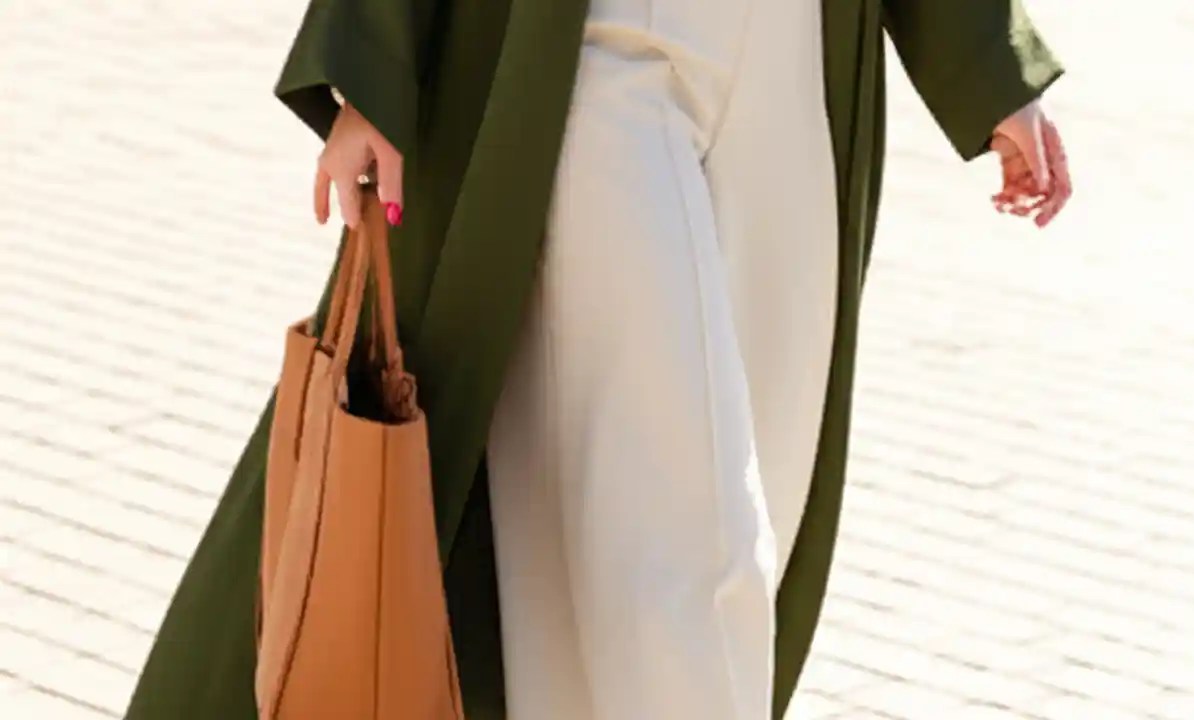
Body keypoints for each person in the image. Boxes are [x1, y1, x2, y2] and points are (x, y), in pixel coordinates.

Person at [125, 1, 1071, 719]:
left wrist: (993, 69)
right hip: (602, 61)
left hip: (794, 69)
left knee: (744, 496)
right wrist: (372, 60)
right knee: (697, 540)